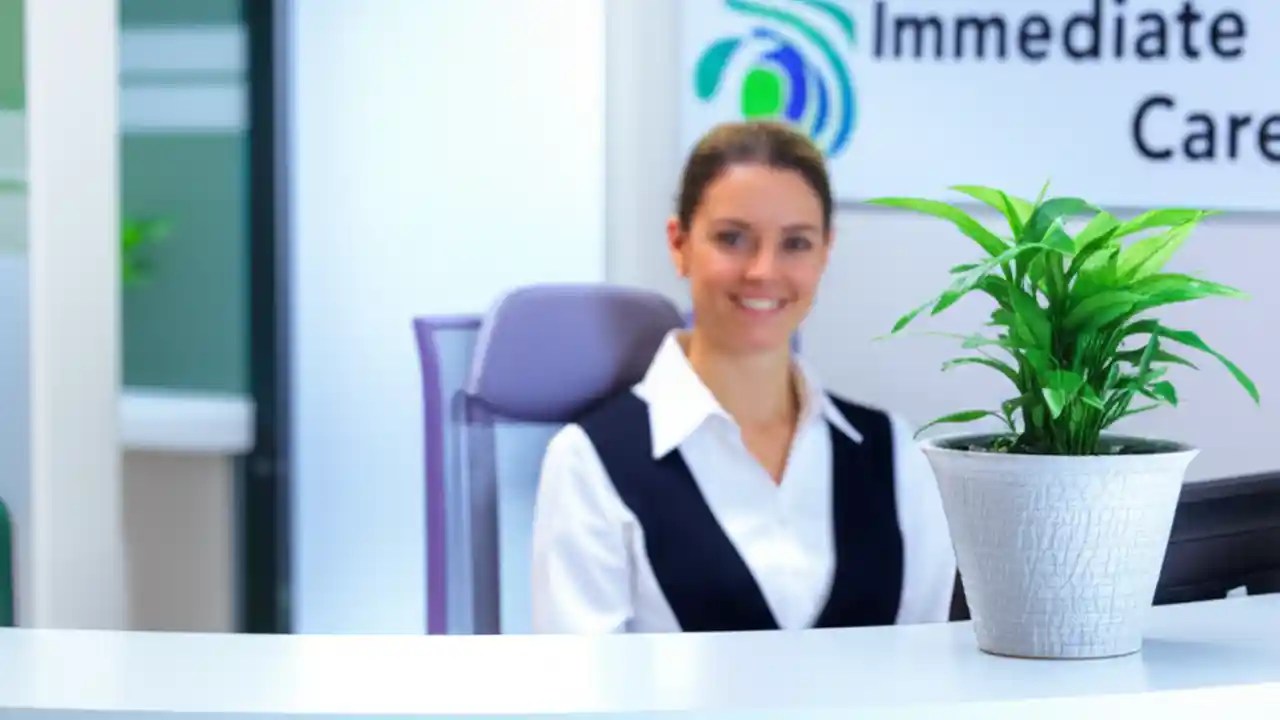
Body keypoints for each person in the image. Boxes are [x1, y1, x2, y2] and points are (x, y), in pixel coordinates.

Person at [529, 120, 956, 634]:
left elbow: (930, 668)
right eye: (732, 238)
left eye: (795, 243)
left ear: (825, 251)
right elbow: (587, 698)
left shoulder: (892, 451)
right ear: (679, 243)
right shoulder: (588, 461)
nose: (762, 270)